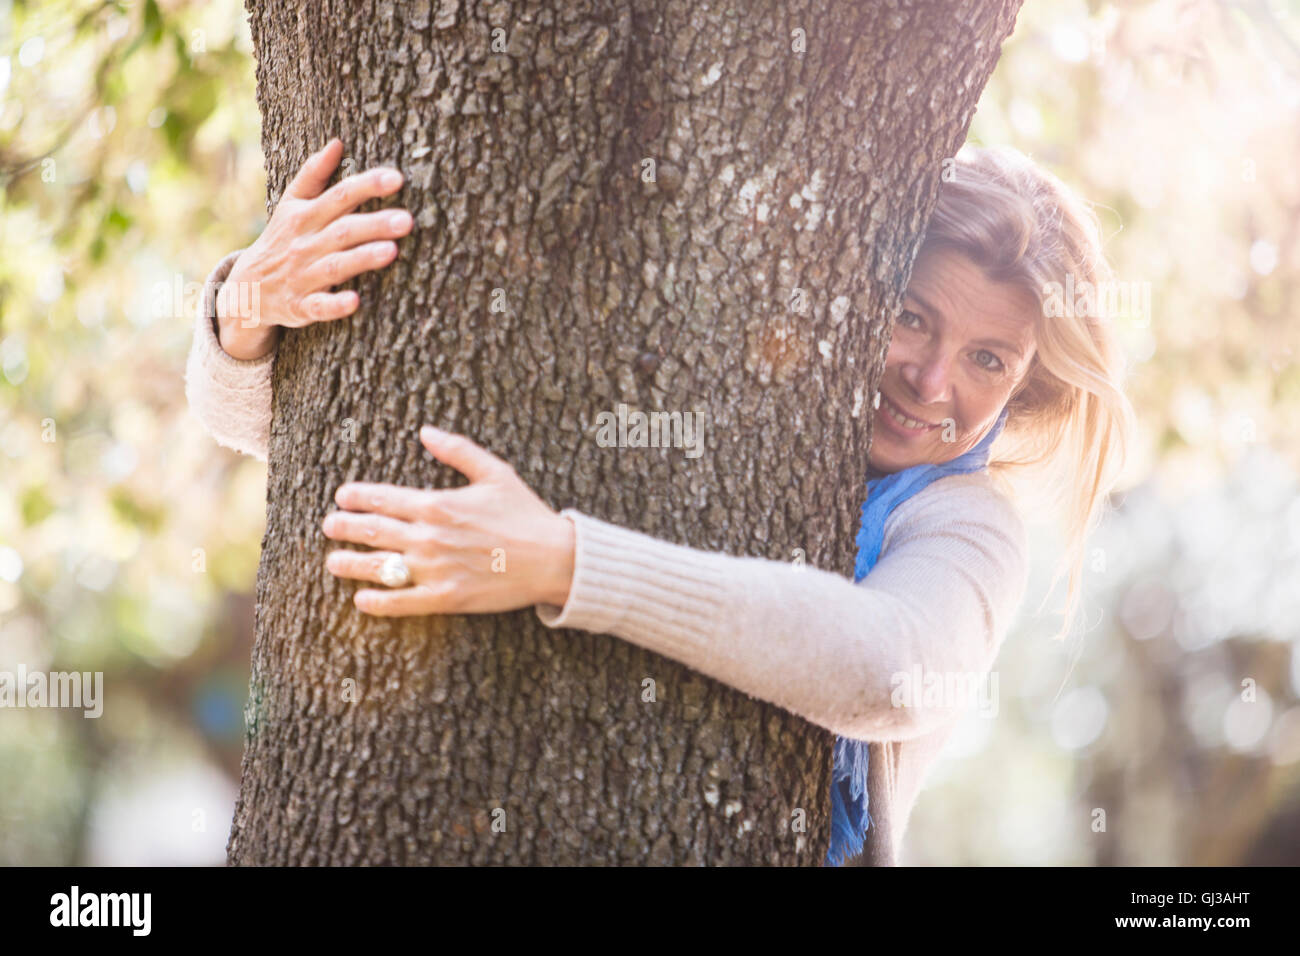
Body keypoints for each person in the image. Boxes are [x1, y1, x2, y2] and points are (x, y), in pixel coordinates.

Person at [184, 138, 1135, 865]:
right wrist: (243, 313)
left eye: (987, 360)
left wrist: (563, 561)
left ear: (1027, 386)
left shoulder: (967, 524)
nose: (931, 381)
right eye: (912, 315)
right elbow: (358, 449)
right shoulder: (737, 394)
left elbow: (889, 674)